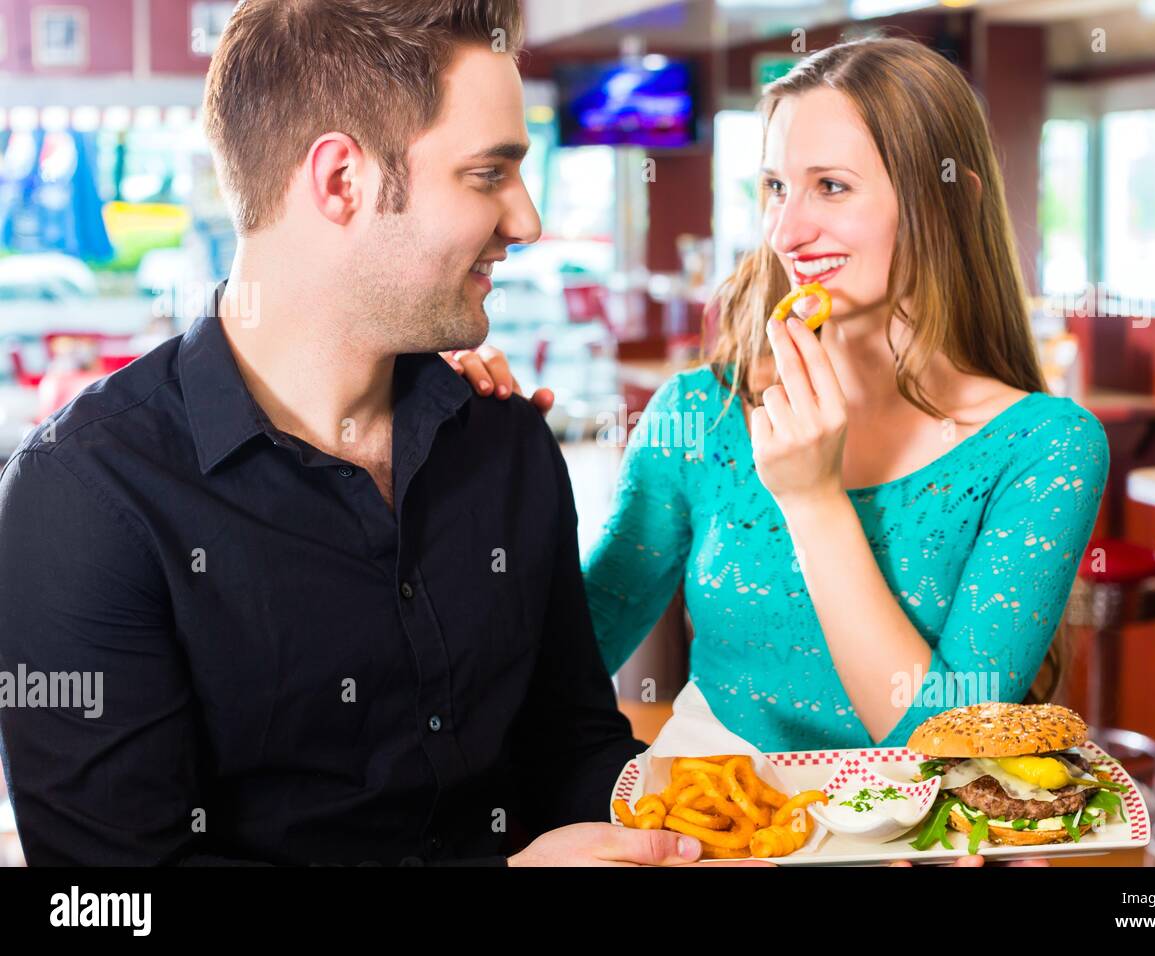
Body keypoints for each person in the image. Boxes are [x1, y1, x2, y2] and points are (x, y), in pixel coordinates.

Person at [0, 0, 725, 868]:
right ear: (341, 181)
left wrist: (716, 816)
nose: (527, 222)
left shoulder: (507, 445)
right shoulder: (85, 498)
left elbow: (568, 749)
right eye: (488, 174)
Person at [454, 37, 1110, 754]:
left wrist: (813, 499)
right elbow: (568, 660)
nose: (786, 232)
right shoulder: (698, 415)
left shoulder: (1045, 446)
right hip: (715, 843)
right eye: (774, 188)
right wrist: (485, 479)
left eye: (831, 186)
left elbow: (952, 742)